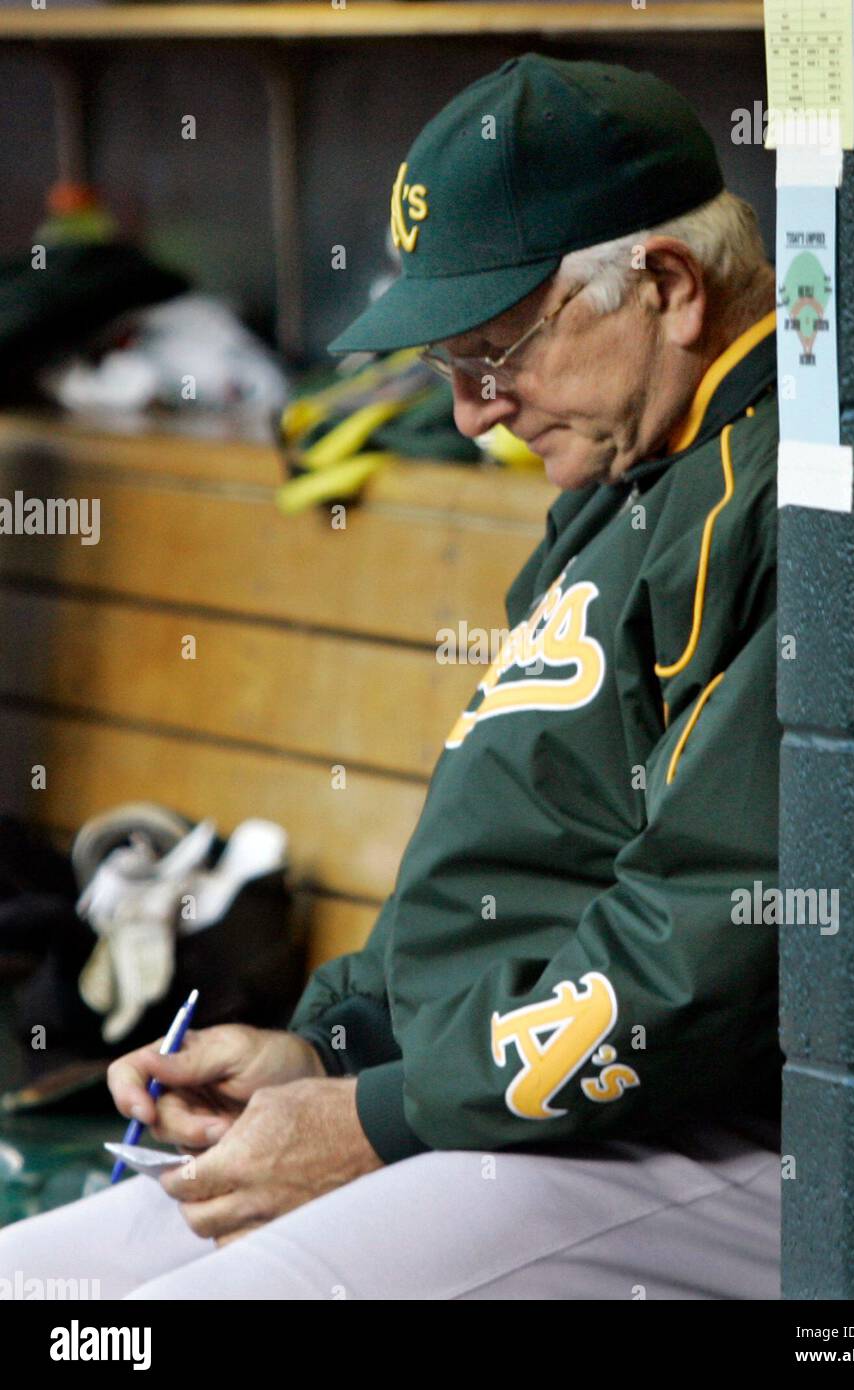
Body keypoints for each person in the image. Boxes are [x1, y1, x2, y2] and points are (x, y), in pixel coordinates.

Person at [0, 53, 783, 1300]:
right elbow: (514, 864)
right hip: (507, 1113)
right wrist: (329, 1044)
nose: (473, 416)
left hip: (717, 1142)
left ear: (668, 287)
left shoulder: (793, 503)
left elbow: (704, 959)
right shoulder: (622, 478)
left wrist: (385, 1112)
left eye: (494, 352)